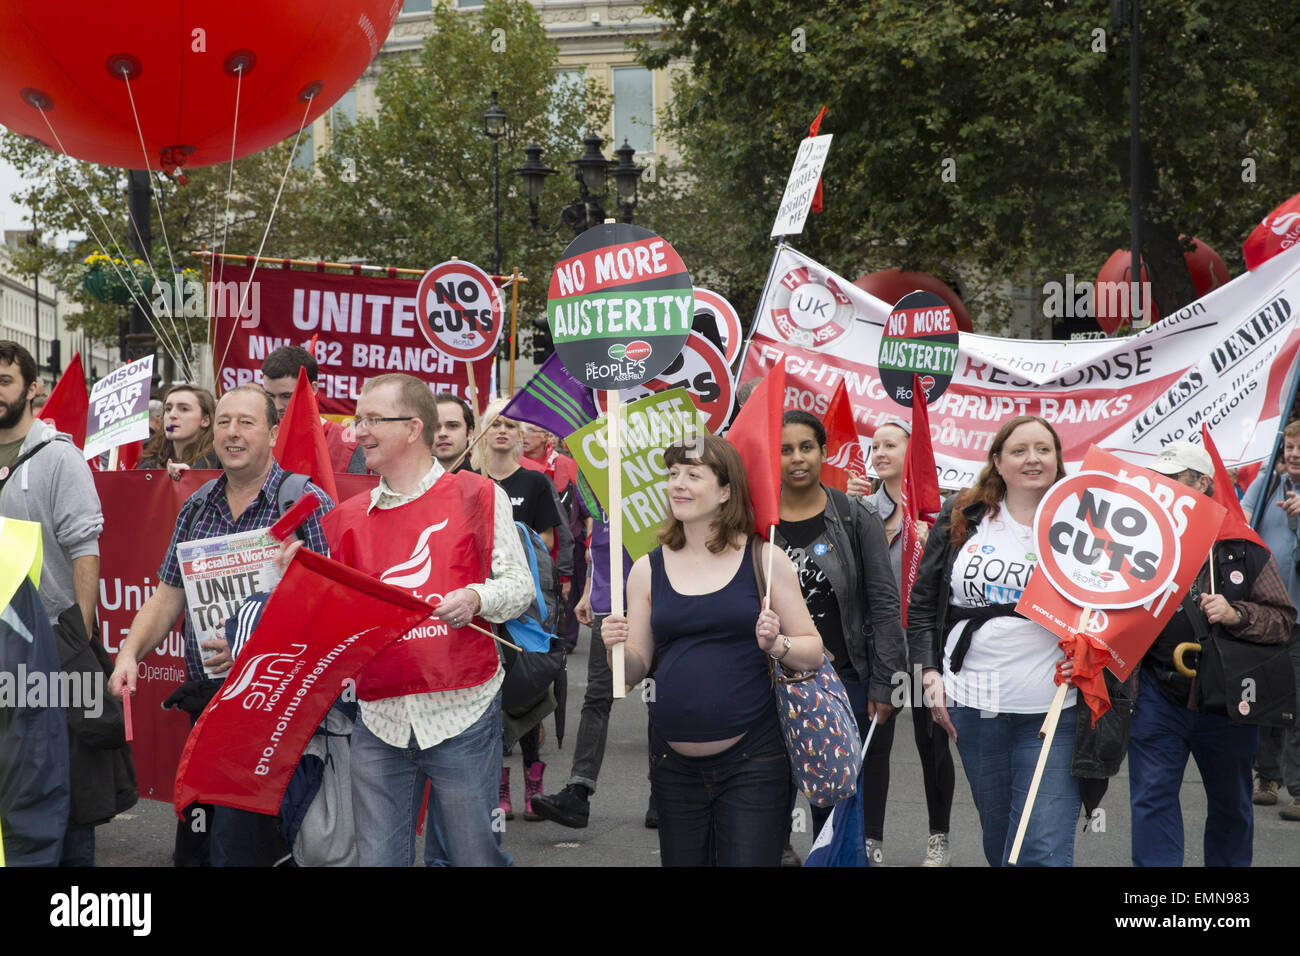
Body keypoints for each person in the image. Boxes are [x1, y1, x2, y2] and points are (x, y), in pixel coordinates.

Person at [109, 385, 334, 866]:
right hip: (209, 708)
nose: (232, 433)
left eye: (247, 423)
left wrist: (256, 646)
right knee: (202, 849)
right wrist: (130, 653)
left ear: (273, 433)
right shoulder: (197, 506)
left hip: (275, 710)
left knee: (256, 849)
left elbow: (332, 610)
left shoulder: (305, 504)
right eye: (225, 421)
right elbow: (168, 597)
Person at [317, 373, 532, 867]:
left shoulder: (476, 495)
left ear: (413, 429)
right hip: (379, 717)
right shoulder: (347, 518)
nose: (358, 432)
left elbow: (519, 588)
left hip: (461, 709)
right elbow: (336, 615)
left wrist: (476, 597)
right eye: (357, 420)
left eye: (371, 420)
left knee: (472, 857)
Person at [601, 434, 823, 866]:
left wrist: (777, 643)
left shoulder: (766, 559)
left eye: (692, 474)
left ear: (725, 491)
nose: (677, 484)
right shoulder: (647, 569)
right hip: (672, 765)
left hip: (755, 761)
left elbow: (813, 650)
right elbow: (634, 669)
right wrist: (614, 649)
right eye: (672, 474)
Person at [908, 415, 1081, 867]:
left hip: (1054, 706)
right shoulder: (962, 515)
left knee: (1041, 845)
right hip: (974, 700)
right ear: (997, 462)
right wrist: (929, 675)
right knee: (1001, 837)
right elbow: (924, 604)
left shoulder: (1084, 522)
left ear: (1058, 459)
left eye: (1043, 449)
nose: (1033, 459)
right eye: (1019, 450)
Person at [1130, 441, 1296, 866]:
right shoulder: (1138, 540)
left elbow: (1281, 620)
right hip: (1159, 694)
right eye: (1156, 480)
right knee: (1151, 800)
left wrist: (1236, 612)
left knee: (1230, 806)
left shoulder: (1243, 545)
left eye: (1173, 480)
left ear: (1202, 483)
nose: (1161, 488)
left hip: (1226, 703)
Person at [0, 340, 113, 866]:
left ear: (32, 388)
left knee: (64, 790)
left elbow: (84, 549)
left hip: (51, 647)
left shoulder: (58, 455)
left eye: (4, 381)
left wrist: (76, 639)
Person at [776, 410, 906, 863]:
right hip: (763, 683)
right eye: (785, 449)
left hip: (839, 685)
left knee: (835, 812)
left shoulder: (854, 515)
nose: (797, 458)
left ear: (824, 451)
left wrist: (886, 681)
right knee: (763, 807)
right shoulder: (754, 518)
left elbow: (885, 603)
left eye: (806, 447)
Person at [867, 419, 957, 866]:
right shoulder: (861, 509)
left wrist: (935, 543)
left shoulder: (940, 512)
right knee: (874, 742)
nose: (880, 452)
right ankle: (870, 841)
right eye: (875, 446)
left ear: (913, 451)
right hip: (881, 648)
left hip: (923, 644)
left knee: (932, 745)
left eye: (891, 444)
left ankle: (939, 838)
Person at [474, 398, 564, 820]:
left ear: (521, 435)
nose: (503, 431)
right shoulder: (466, 480)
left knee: (528, 691)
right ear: (484, 432)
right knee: (491, 696)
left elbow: (547, 541)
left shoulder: (535, 483)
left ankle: (534, 780)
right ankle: (499, 785)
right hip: (479, 603)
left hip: (526, 606)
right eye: (495, 424)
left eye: (510, 425)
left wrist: (510, 540)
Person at [1242, 419, 1300, 820]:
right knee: (1263, 697)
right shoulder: (1268, 489)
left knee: (1296, 703)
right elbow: (1242, 520)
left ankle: (1298, 789)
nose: (1294, 454)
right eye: (1290, 447)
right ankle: (1266, 777)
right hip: (1265, 615)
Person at [261, 345, 360, 473]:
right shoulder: (260, 437)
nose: (277, 406)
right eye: (270, 396)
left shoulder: (346, 444)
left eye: (287, 396)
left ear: (313, 389)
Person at [137, 383, 221, 478]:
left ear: (205, 420)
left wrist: (191, 478)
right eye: (168, 409)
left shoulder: (220, 461)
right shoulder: (150, 457)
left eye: (184, 409)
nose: (172, 415)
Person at [433, 392, 476, 472]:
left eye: (453, 426)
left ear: (470, 433)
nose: (442, 433)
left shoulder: (484, 484)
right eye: (435, 427)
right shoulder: (408, 483)